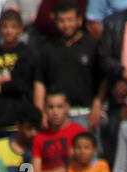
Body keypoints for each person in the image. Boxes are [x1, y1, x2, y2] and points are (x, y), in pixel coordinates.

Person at [35, 0, 104, 129]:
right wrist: (40, 112)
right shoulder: (47, 48)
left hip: (85, 114)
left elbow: (103, 79)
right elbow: (40, 82)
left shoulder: (92, 45)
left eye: (70, 20)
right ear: (55, 21)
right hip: (56, 117)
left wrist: (97, 105)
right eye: (61, 21)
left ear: (79, 20)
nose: (66, 25)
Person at [0, 8, 39, 136]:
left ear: (20, 29)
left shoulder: (28, 54)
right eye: (5, 27)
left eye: (13, 27)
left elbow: (22, 84)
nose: (9, 31)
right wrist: (7, 79)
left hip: (20, 125)